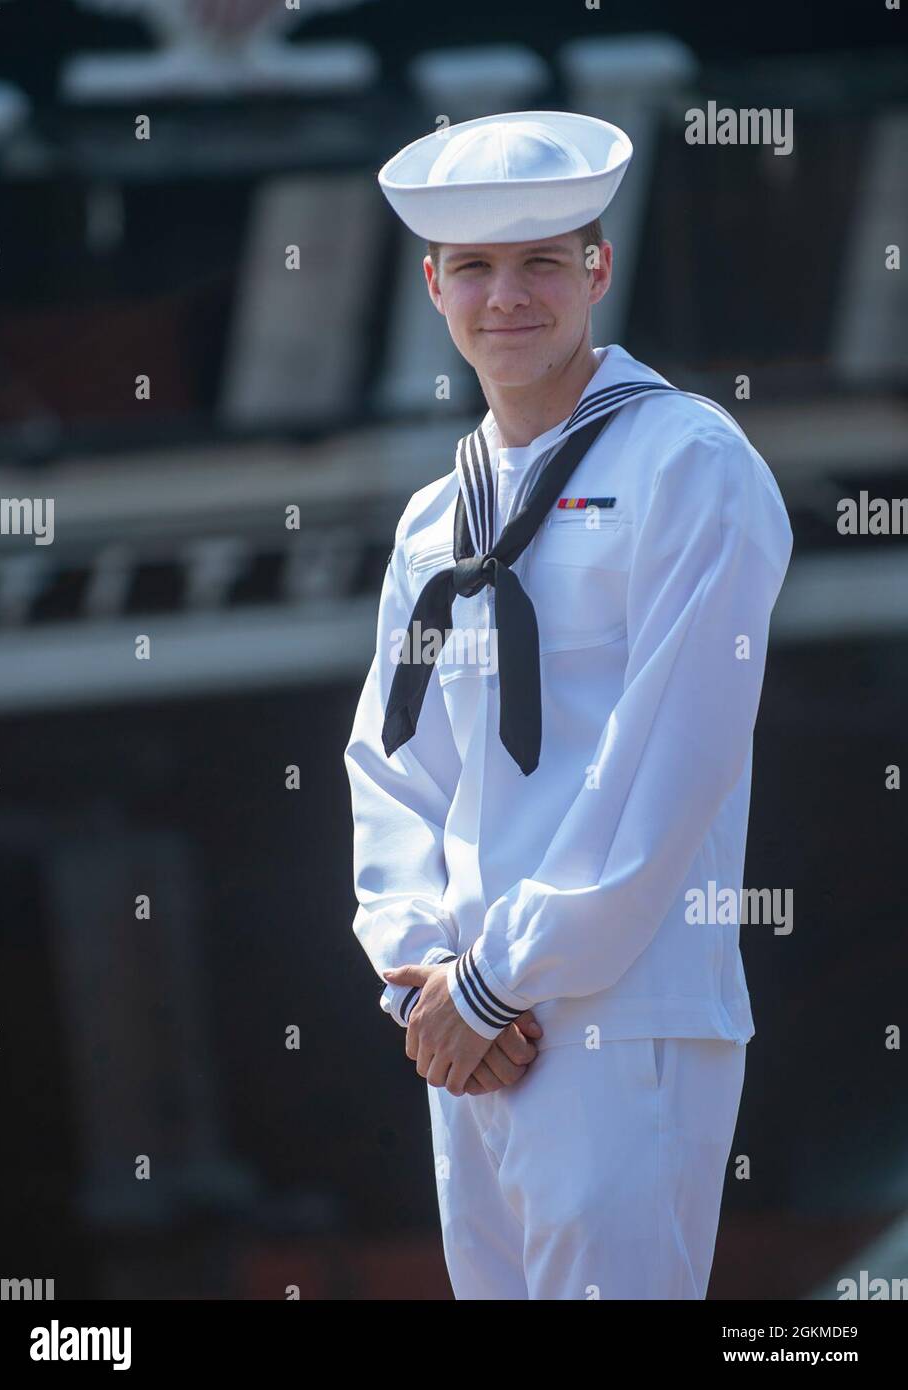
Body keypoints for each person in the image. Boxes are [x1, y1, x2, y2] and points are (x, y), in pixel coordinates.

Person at [343, 110, 794, 1300]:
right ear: (434, 284)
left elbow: (668, 759)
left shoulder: (686, 461)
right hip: (468, 1035)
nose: (509, 296)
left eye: (543, 260)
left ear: (597, 269)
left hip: (618, 1007)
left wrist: (498, 979)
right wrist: (421, 972)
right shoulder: (437, 515)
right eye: (477, 269)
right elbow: (394, 767)